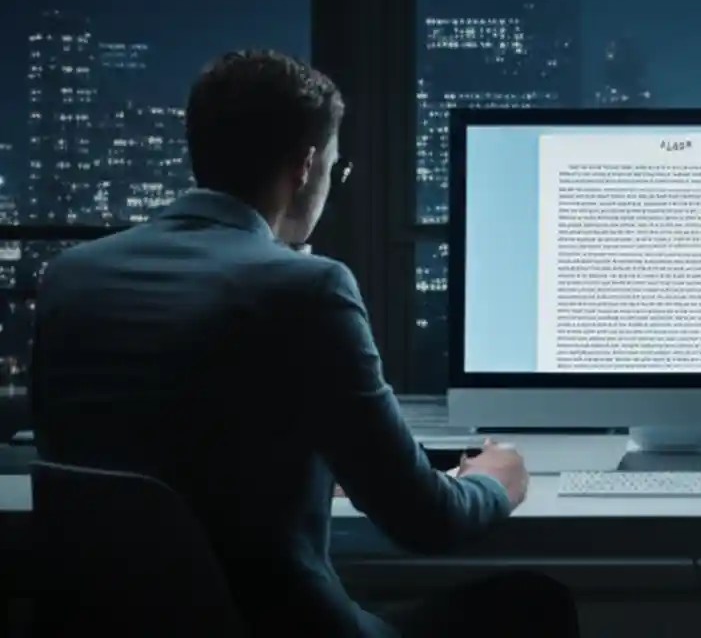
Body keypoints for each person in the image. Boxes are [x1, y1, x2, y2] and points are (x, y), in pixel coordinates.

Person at [29, 50, 579, 637]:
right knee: (533, 603)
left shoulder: (70, 275)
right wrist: (496, 479)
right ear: (305, 166)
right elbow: (428, 521)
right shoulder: (306, 288)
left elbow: (169, 452)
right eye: (336, 173)